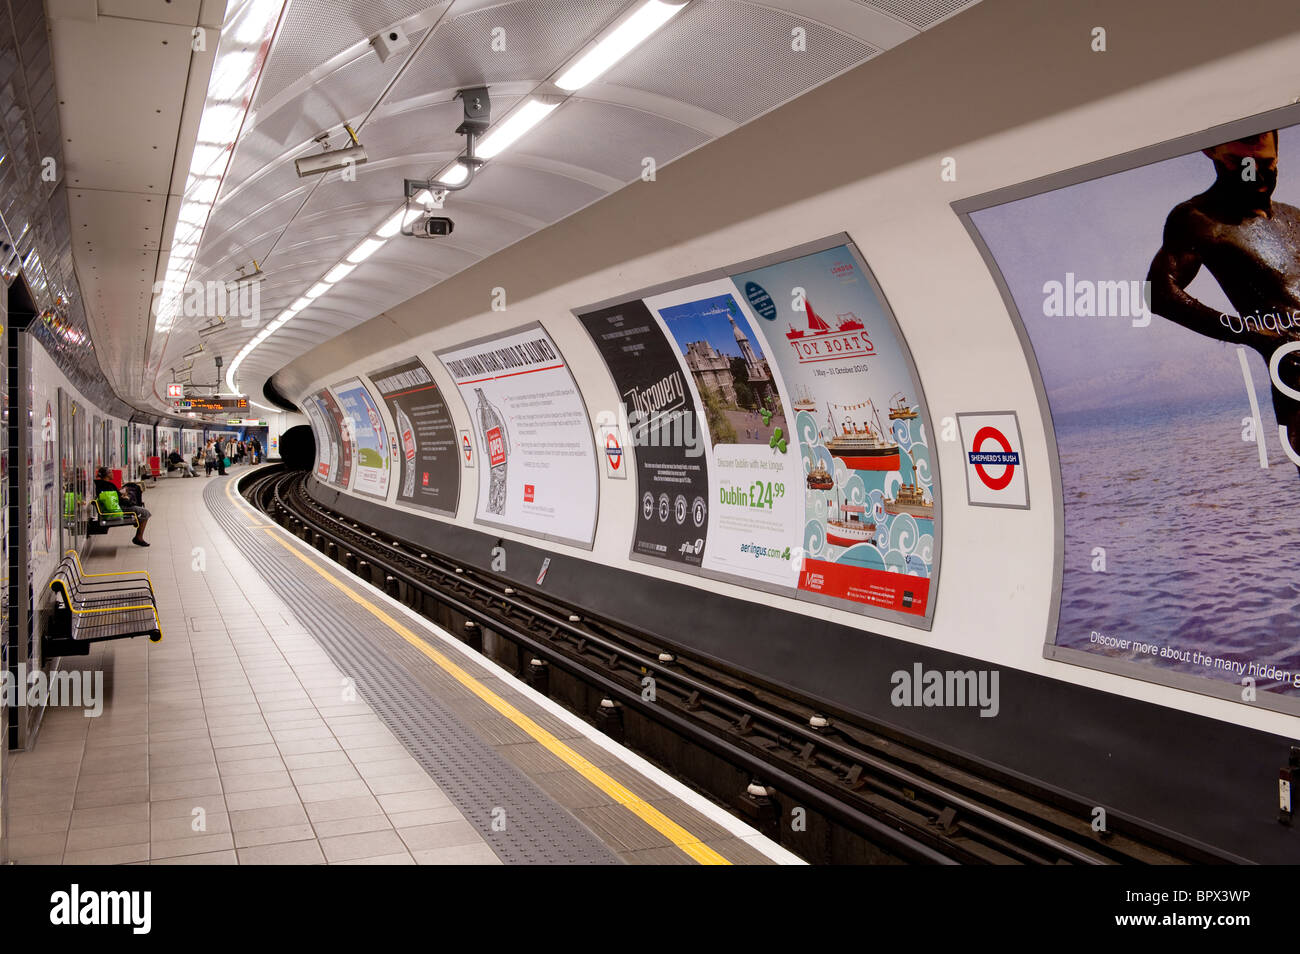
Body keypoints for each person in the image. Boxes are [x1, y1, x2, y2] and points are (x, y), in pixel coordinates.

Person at [1147, 129, 1300, 468]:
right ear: (1211, 151)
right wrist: (1254, 334)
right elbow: (1157, 293)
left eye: (1266, 162)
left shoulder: (1294, 218)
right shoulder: (1199, 220)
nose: (1253, 173)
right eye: (1238, 162)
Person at [94, 466, 150, 547]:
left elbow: (114, 496)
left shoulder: (101, 484)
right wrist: (126, 497)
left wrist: (121, 494)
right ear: (107, 474)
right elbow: (119, 500)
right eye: (111, 472)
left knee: (138, 507)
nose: (113, 474)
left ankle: (138, 524)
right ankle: (138, 538)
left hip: (113, 506)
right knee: (146, 513)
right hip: (117, 508)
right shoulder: (108, 485)